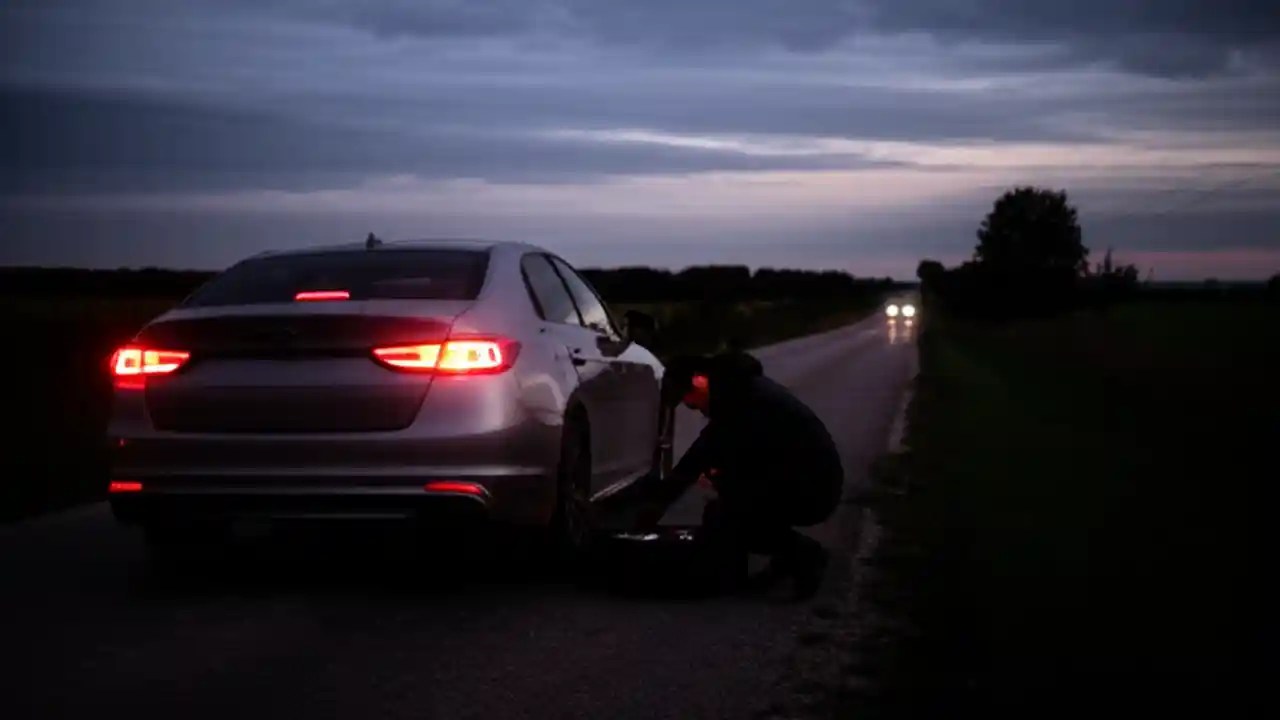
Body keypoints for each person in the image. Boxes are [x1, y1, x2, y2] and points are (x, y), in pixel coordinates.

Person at [647, 350, 844, 600]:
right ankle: (783, 560)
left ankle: (804, 555)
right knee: (725, 499)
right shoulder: (740, 390)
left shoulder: (743, 403)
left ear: (699, 380)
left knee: (726, 517)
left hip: (814, 488)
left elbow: (701, 457)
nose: (693, 407)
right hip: (804, 479)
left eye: (689, 400)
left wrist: (655, 504)